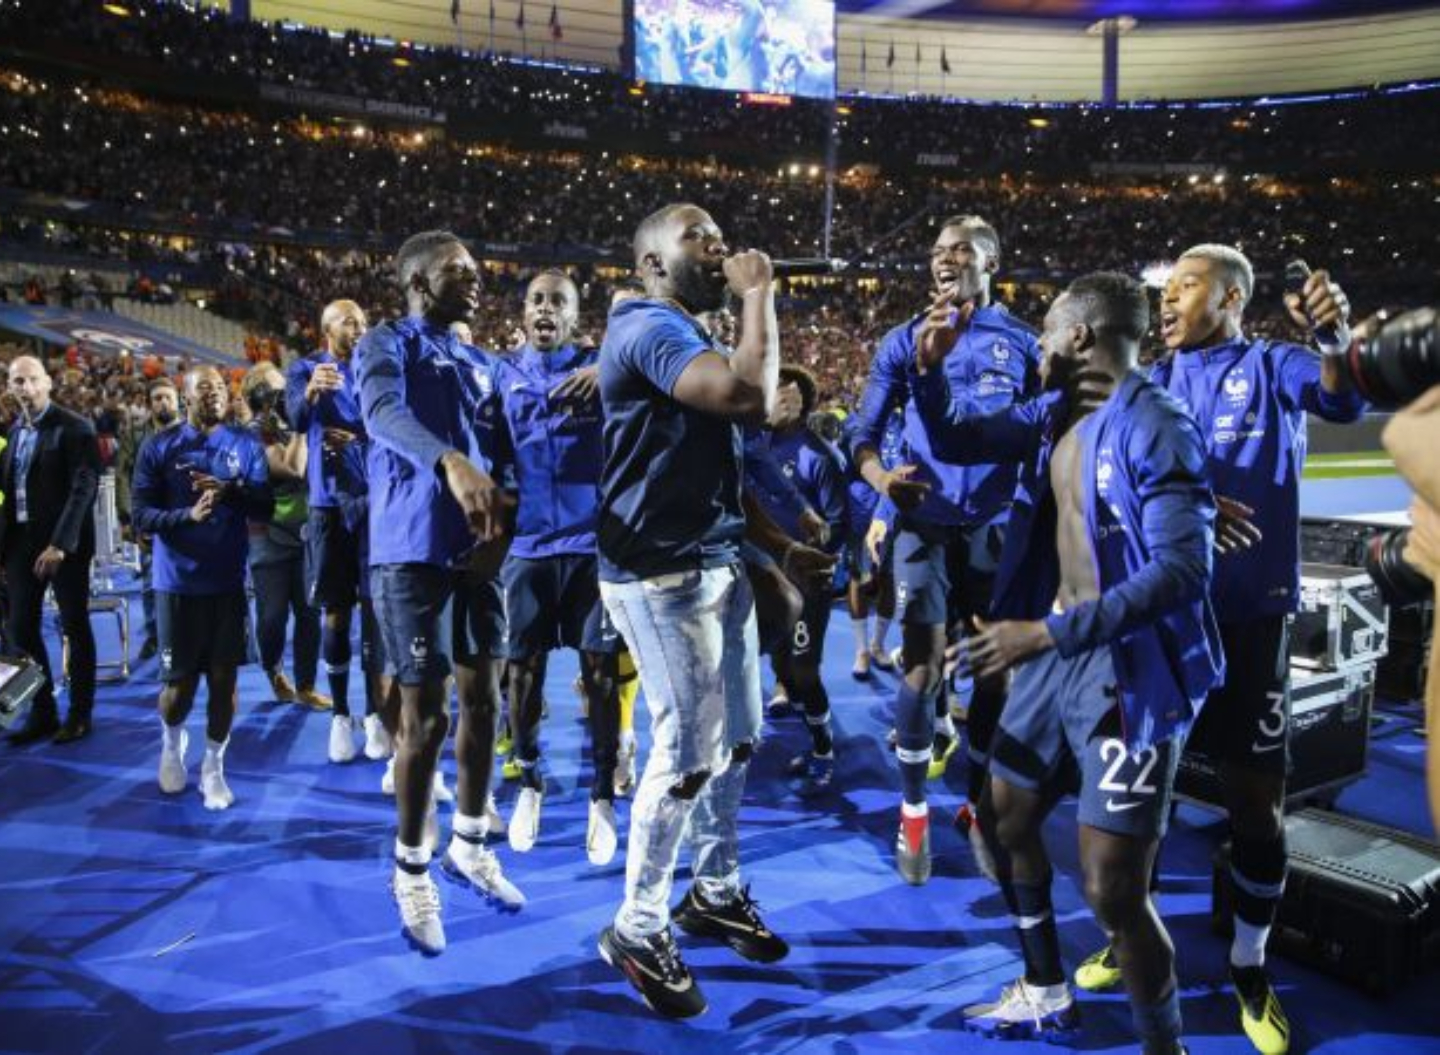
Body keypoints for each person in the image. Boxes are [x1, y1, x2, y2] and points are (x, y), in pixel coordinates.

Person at [912, 272, 1222, 1053]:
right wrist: (927, 373)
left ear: (1081, 335)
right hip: (1057, 656)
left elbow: (1185, 571)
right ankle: (1045, 988)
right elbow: (955, 439)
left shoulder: (1155, 421)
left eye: (1048, 332)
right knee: (1003, 809)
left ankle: (1165, 1045)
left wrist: (1044, 635)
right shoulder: (1055, 414)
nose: (1037, 347)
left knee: (1114, 891)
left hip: (1128, 667)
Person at [1072, 246, 1363, 1055]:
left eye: (1185, 287)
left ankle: (1248, 964)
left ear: (1231, 296)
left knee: (1256, 807)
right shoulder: (1148, 381)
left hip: (1251, 622)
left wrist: (1336, 343)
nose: (1167, 302)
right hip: (1163, 624)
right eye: (1164, 292)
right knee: (1144, 810)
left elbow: (1339, 400)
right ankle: (1130, 928)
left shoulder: (1272, 363)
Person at [595, 203, 789, 1019]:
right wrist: (758, 295)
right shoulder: (648, 325)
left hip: (714, 558)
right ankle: (637, 926)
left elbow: (716, 453)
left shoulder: (678, 331)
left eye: (720, 236)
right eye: (697, 237)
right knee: (684, 751)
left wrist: (771, 546)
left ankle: (711, 888)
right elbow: (749, 396)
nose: (717, 247)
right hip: (660, 573)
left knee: (739, 734)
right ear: (650, 264)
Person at [844, 215, 1041, 884]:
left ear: (991, 262)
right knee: (922, 668)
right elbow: (862, 435)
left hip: (995, 529)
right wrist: (881, 483)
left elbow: (1052, 434)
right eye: (936, 251)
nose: (945, 259)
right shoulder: (903, 342)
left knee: (995, 672)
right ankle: (914, 811)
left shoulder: (1024, 343)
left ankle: (980, 806)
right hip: (922, 524)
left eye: (961, 250)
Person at [356, 230, 522, 956]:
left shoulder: (484, 363)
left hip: (478, 555)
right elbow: (382, 416)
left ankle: (471, 841)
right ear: (419, 280)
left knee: (486, 701)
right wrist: (449, 460)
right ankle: (411, 865)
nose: (477, 279)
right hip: (409, 549)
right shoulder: (386, 343)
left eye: (478, 268)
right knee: (422, 720)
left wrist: (503, 537)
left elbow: (509, 459)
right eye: (460, 270)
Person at [490, 270, 623, 866]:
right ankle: (531, 784)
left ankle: (600, 795)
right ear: (523, 314)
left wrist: (611, 370)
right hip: (526, 552)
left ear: (575, 317)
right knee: (523, 674)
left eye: (557, 302)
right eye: (536, 301)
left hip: (592, 548)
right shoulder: (501, 374)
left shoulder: (605, 365)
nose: (545, 309)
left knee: (600, 677)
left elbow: (658, 367)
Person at [132, 365, 274, 810]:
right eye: (203, 388)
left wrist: (231, 492)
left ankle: (213, 765)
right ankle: (172, 742)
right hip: (176, 585)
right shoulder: (158, 447)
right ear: (185, 395)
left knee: (223, 681)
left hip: (228, 583)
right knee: (179, 691)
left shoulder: (245, 444)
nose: (213, 394)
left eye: (219, 387)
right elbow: (140, 517)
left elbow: (265, 507)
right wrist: (185, 517)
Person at [286, 300, 385, 754]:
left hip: (374, 504)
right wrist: (310, 393)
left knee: (375, 610)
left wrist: (361, 438)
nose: (360, 327)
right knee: (337, 611)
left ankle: (376, 715)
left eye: (363, 321)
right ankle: (342, 714)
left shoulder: (377, 368)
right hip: (327, 508)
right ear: (326, 328)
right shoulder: (305, 369)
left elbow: (391, 427)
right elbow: (295, 421)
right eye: (351, 321)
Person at [749, 364, 847, 792]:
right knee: (778, 657)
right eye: (773, 392)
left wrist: (819, 556)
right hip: (762, 571)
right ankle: (784, 697)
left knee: (805, 669)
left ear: (802, 403)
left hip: (806, 580)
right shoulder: (754, 444)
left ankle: (824, 749)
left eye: (786, 394)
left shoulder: (820, 455)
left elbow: (839, 522)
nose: (776, 400)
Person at [1, 355, 100, 745]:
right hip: (22, 544)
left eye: (29, 380)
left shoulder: (76, 428)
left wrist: (60, 543)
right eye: (15, 381)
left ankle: (80, 714)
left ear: (47, 384)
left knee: (75, 626)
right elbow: (10, 496)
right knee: (20, 628)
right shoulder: (14, 432)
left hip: (65, 547)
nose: (23, 387)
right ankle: (43, 712)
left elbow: (83, 489)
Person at [242, 363, 325, 716]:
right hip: (267, 534)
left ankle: (306, 685)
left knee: (309, 613)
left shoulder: (300, 421)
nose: (280, 396)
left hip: (307, 532)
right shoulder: (251, 432)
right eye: (271, 390)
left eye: (283, 390)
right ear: (256, 396)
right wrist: (305, 431)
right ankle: (274, 670)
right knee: (272, 617)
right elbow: (292, 469)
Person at [116, 378, 181, 663]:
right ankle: (156, 635)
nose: (163, 403)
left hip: (185, 519)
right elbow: (122, 476)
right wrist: (128, 517)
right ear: (149, 403)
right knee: (149, 581)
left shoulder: (192, 431)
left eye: (168, 397)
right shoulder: (135, 434)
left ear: (178, 400)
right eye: (157, 398)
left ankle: (184, 635)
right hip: (149, 519)